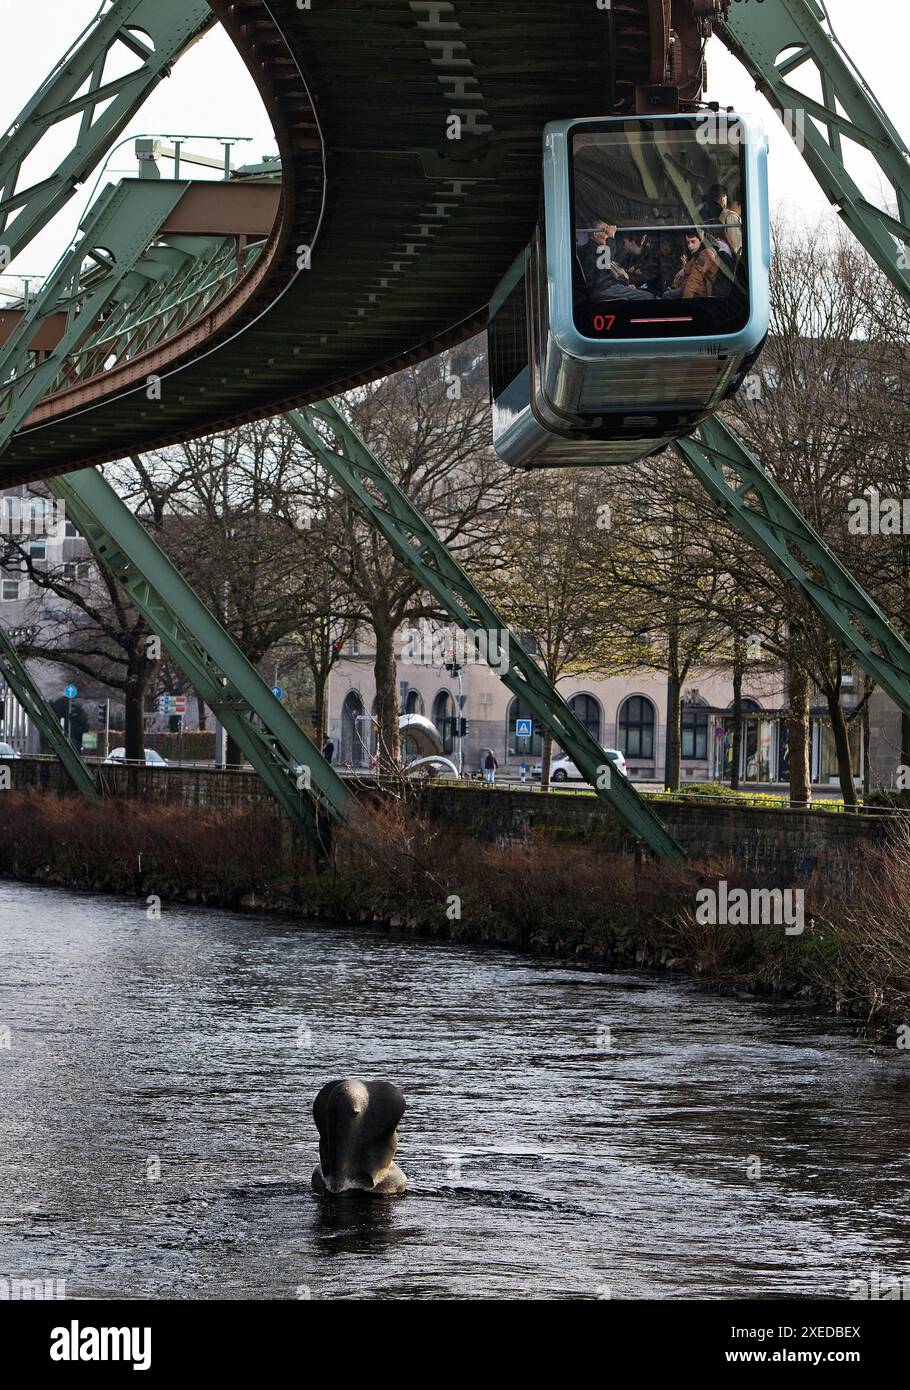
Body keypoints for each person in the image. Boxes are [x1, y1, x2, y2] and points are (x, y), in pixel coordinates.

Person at [577, 219, 654, 301]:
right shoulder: (591, 249)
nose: (607, 234)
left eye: (608, 232)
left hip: (606, 286)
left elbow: (607, 274)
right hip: (602, 289)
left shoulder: (598, 249)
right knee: (648, 297)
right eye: (605, 231)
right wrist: (611, 237)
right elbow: (606, 262)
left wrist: (624, 285)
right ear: (595, 234)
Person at [664, 230, 719, 300]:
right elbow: (686, 273)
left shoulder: (706, 255)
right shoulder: (696, 255)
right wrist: (674, 286)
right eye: (688, 242)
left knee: (667, 295)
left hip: (698, 292)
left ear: (701, 240)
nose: (690, 246)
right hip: (689, 288)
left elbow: (695, 279)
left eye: (693, 242)